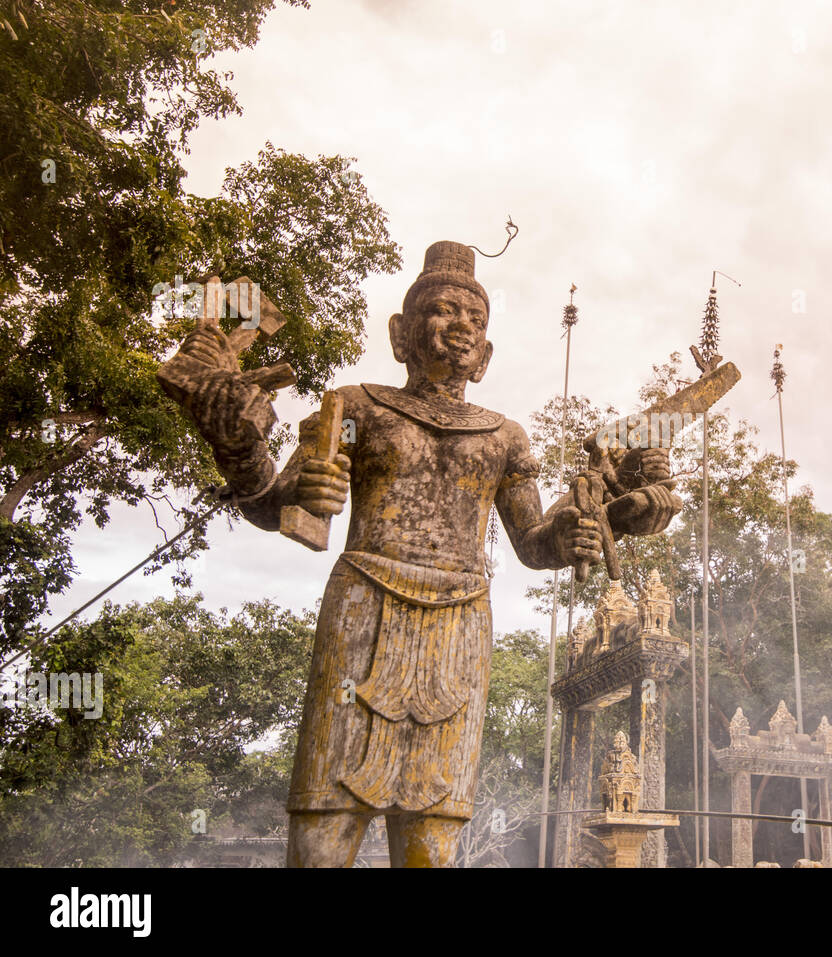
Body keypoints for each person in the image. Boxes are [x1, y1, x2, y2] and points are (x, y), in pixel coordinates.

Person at [167, 241, 679, 866]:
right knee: (327, 819)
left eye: (476, 321)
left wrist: (604, 522)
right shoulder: (355, 408)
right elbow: (273, 504)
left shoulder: (504, 437)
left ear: (485, 356)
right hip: (363, 610)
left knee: (433, 833)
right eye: (441, 309)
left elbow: (534, 544)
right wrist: (238, 445)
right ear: (400, 334)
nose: (461, 326)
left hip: (459, 626)